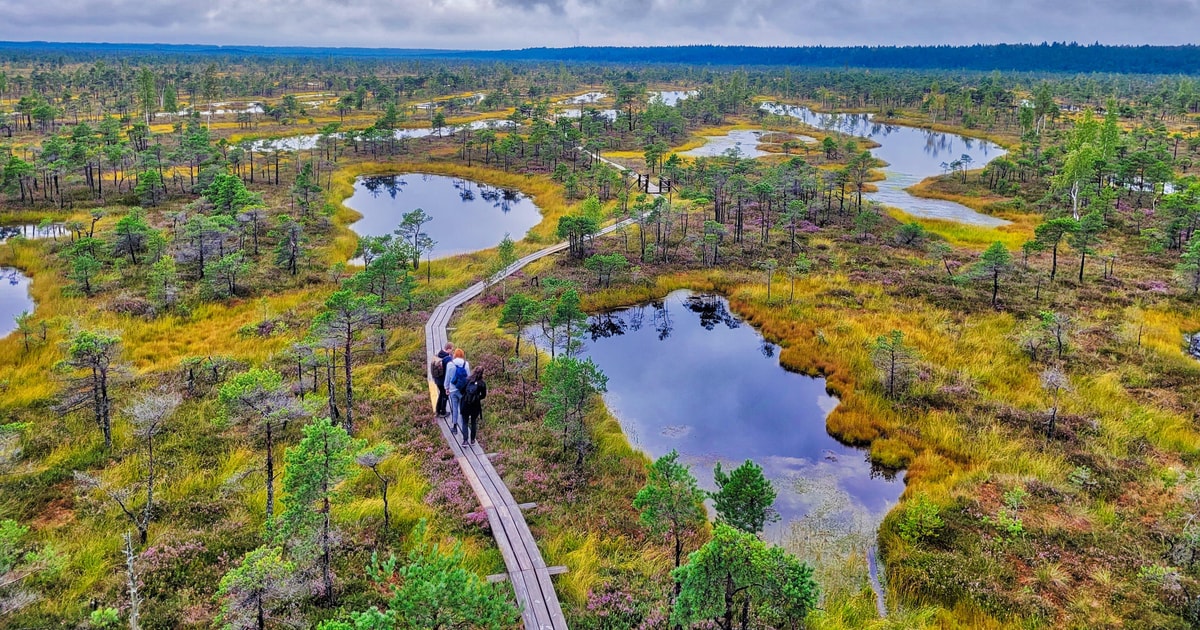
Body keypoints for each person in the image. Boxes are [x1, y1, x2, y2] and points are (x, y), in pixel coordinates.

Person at [443, 348, 470, 443]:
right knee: (462, 409)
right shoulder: (466, 364)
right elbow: (468, 377)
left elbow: (447, 377)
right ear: (462, 355)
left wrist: (446, 388)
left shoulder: (450, 364)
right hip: (462, 390)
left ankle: (454, 426)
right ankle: (464, 427)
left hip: (453, 390)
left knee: (454, 408)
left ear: (454, 355)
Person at [460, 369, 487, 446]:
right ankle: (472, 440)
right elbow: (484, 395)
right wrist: (477, 398)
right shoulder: (482, 383)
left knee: (465, 422)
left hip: (465, 403)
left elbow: (461, 390)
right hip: (475, 405)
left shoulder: (467, 380)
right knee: (473, 422)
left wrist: (466, 396)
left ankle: (465, 441)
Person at [433, 342, 453, 418]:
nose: (452, 351)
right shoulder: (448, 359)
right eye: (451, 349)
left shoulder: (439, 354)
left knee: (441, 394)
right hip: (443, 381)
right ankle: (443, 412)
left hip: (437, 379)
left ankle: (437, 410)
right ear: (448, 349)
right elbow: (449, 371)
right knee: (445, 395)